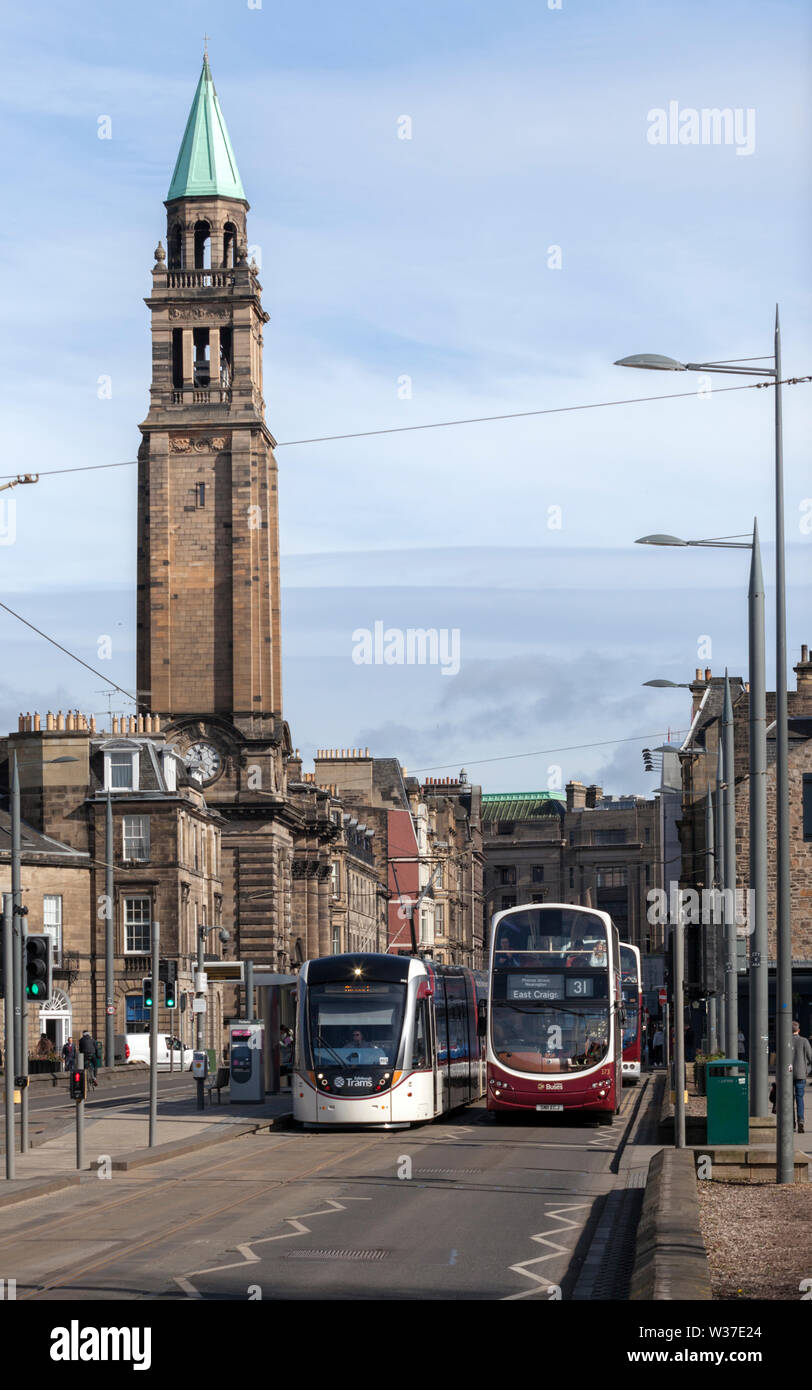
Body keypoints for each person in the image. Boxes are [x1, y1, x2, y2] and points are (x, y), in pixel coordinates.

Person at [791, 1021, 812, 1133]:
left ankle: (791, 1123)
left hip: (787, 1076)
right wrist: (807, 1071)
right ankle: (801, 1120)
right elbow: (811, 1058)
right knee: (800, 1098)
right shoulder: (804, 1041)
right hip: (800, 1074)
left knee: (788, 1100)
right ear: (798, 1030)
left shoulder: (785, 1041)